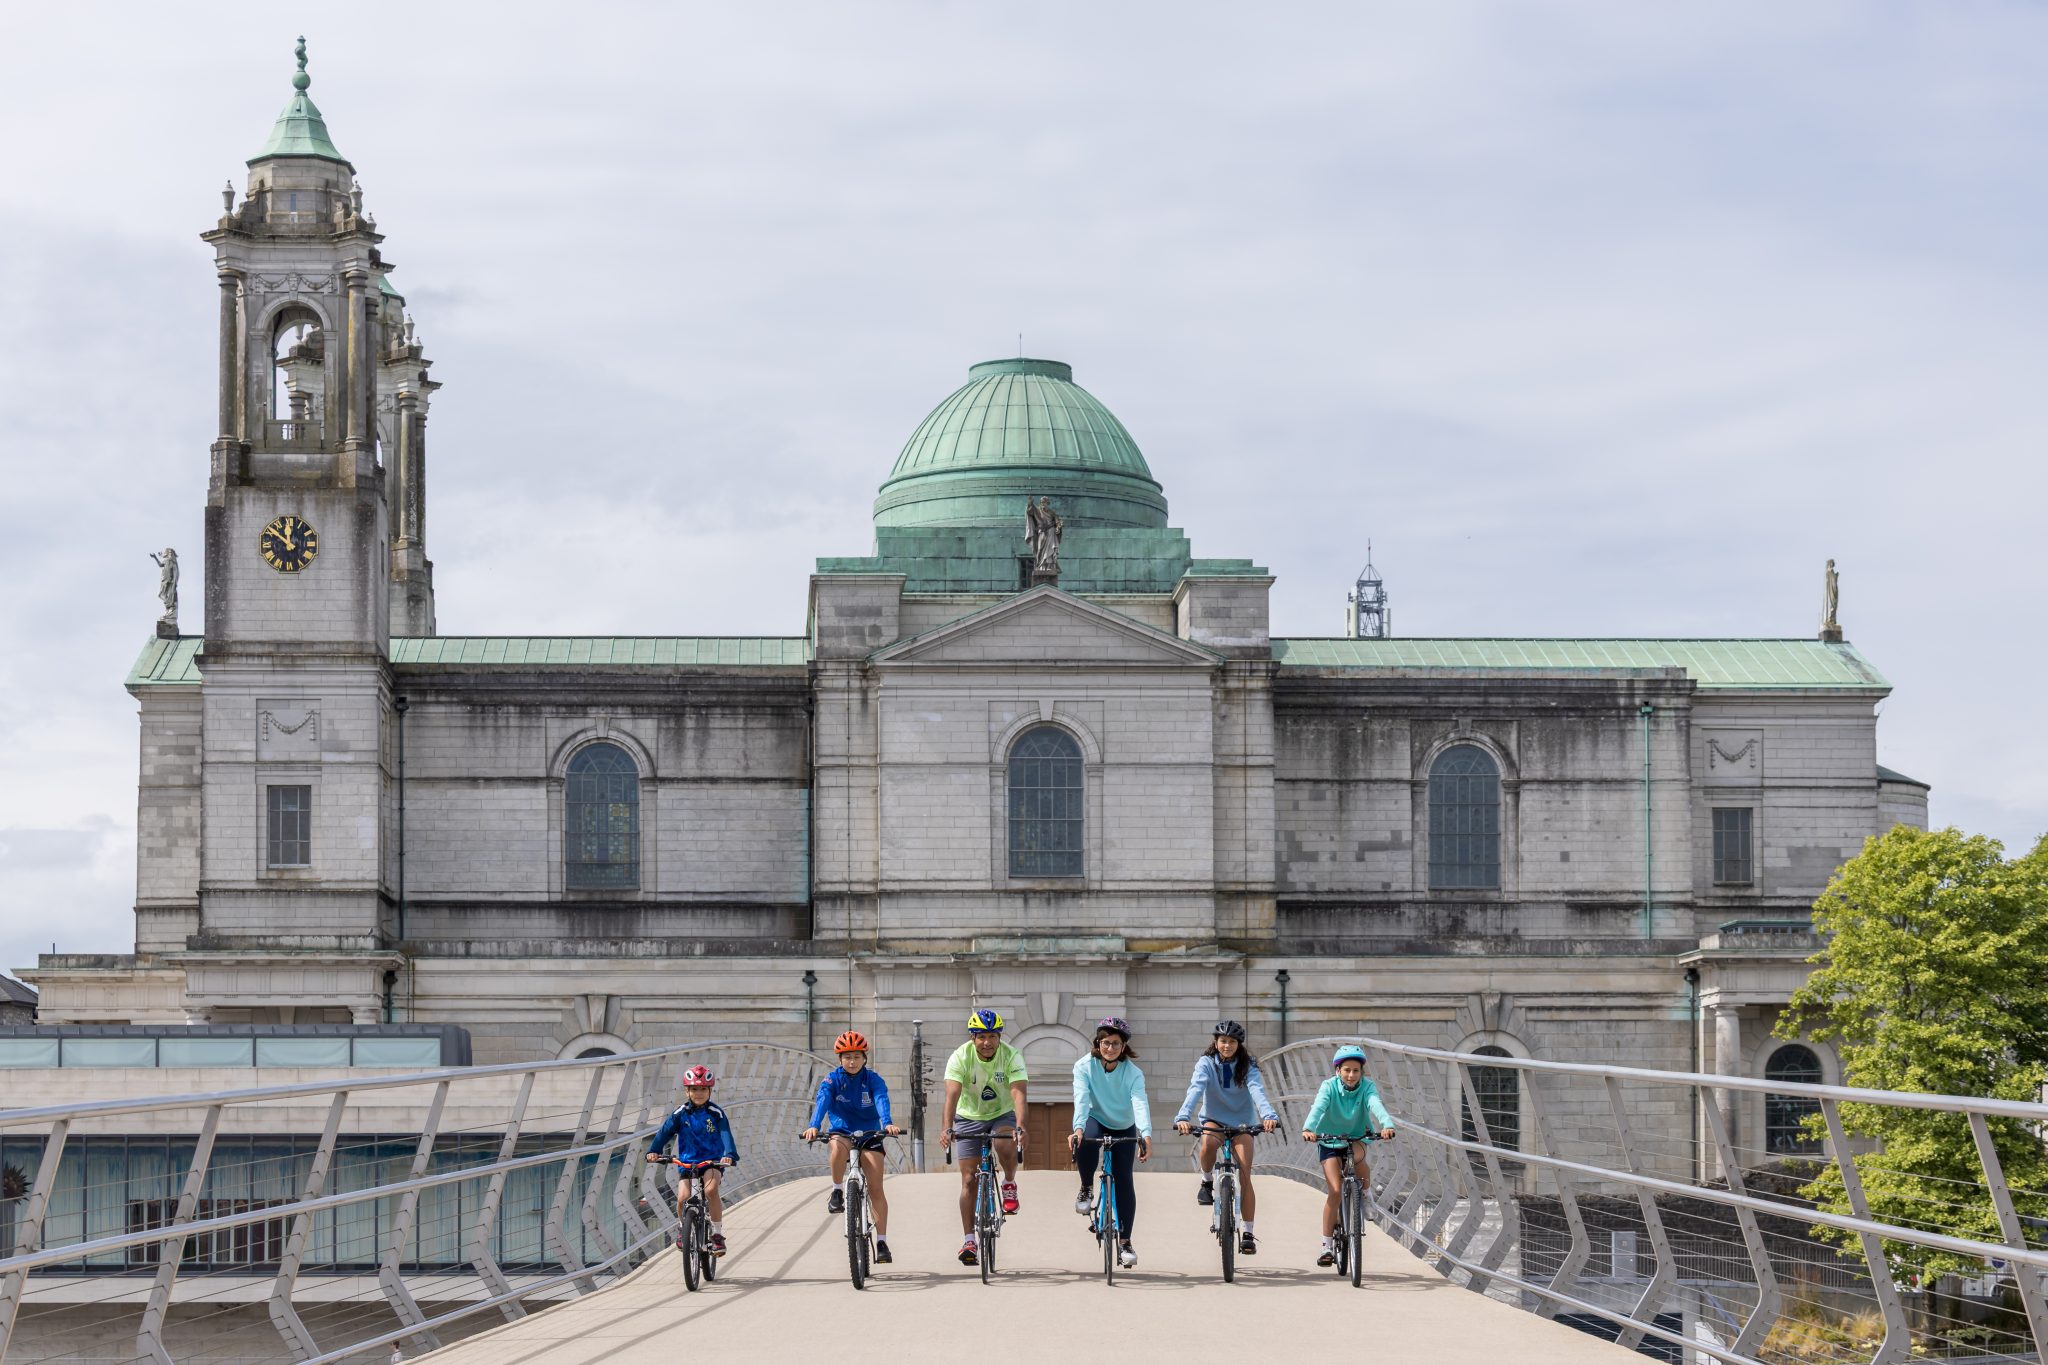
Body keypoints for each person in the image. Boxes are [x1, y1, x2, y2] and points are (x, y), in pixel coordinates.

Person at [1173, 1020, 1279, 1255]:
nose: (1227, 1045)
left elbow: (1257, 1090)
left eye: (1232, 1042)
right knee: (1208, 1143)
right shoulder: (1206, 1063)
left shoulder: (1248, 1064)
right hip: (1215, 1118)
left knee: (1245, 1173)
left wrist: (1269, 1115)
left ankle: (1248, 1232)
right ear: (1215, 1042)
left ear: (1239, 1044)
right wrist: (1183, 1116)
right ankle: (1207, 1181)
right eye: (1223, 1041)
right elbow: (1195, 1089)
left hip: (1243, 1123)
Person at [802, 1030, 904, 1263]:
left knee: (876, 1187)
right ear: (839, 1060)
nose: (852, 1061)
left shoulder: (873, 1080)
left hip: (870, 1132)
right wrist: (814, 1125)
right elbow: (822, 1101)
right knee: (837, 1147)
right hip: (842, 1130)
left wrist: (887, 1123)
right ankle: (837, 1190)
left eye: (857, 1056)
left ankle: (882, 1242)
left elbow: (881, 1099)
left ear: (864, 1058)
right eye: (847, 1057)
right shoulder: (832, 1080)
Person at [940, 1008, 1028, 1265]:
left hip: (1001, 1114)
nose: (987, 1042)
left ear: (999, 1037)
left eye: (992, 1036)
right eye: (981, 1037)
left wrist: (1020, 1126)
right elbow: (952, 1096)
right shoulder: (960, 1057)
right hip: (968, 1116)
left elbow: (1019, 1094)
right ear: (973, 1038)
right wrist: (947, 1127)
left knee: (1005, 1141)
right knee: (969, 1179)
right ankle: (969, 1240)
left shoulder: (1012, 1056)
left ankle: (1009, 1183)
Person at [1068, 1016, 1151, 1269]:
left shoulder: (1133, 1073)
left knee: (1124, 1179)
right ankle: (1086, 1187)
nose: (1110, 1048)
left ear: (1123, 1046)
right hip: (1095, 1118)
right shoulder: (1084, 1066)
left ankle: (1125, 1242)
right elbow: (1081, 1098)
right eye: (1105, 1043)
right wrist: (1078, 1128)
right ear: (1098, 1043)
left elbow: (1139, 1102)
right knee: (1085, 1140)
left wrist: (1145, 1134)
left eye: (1116, 1043)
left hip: (1123, 1125)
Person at [1301, 1045, 1396, 1266]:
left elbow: (1376, 1105)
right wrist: (1309, 1128)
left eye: (1356, 1070)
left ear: (1361, 1072)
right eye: (1346, 1070)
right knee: (1334, 1190)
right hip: (1329, 1139)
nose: (1351, 1075)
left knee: (1359, 1158)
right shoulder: (1328, 1087)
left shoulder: (1367, 1087)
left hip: (1356, 1136)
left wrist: (1386, 1124)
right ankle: (1326, 1247)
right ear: (1338, 1071)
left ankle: (1366, 1194)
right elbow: (1318, 1107)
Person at [643, 1065, 738, 1256]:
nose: (699, 1093)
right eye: (694, 1089)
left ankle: (717, 1235)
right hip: (688, 1162)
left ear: (710, 1090)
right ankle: (682, 1228)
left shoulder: (716, 1113)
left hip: (712, 1162)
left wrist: (730, 1154)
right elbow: (664, 1133)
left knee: (711, 1189)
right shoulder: (680, 1113)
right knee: (682, 1198)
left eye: (703, 1089)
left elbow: (726, 1133)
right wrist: (654, 1150)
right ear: (687, 1091)